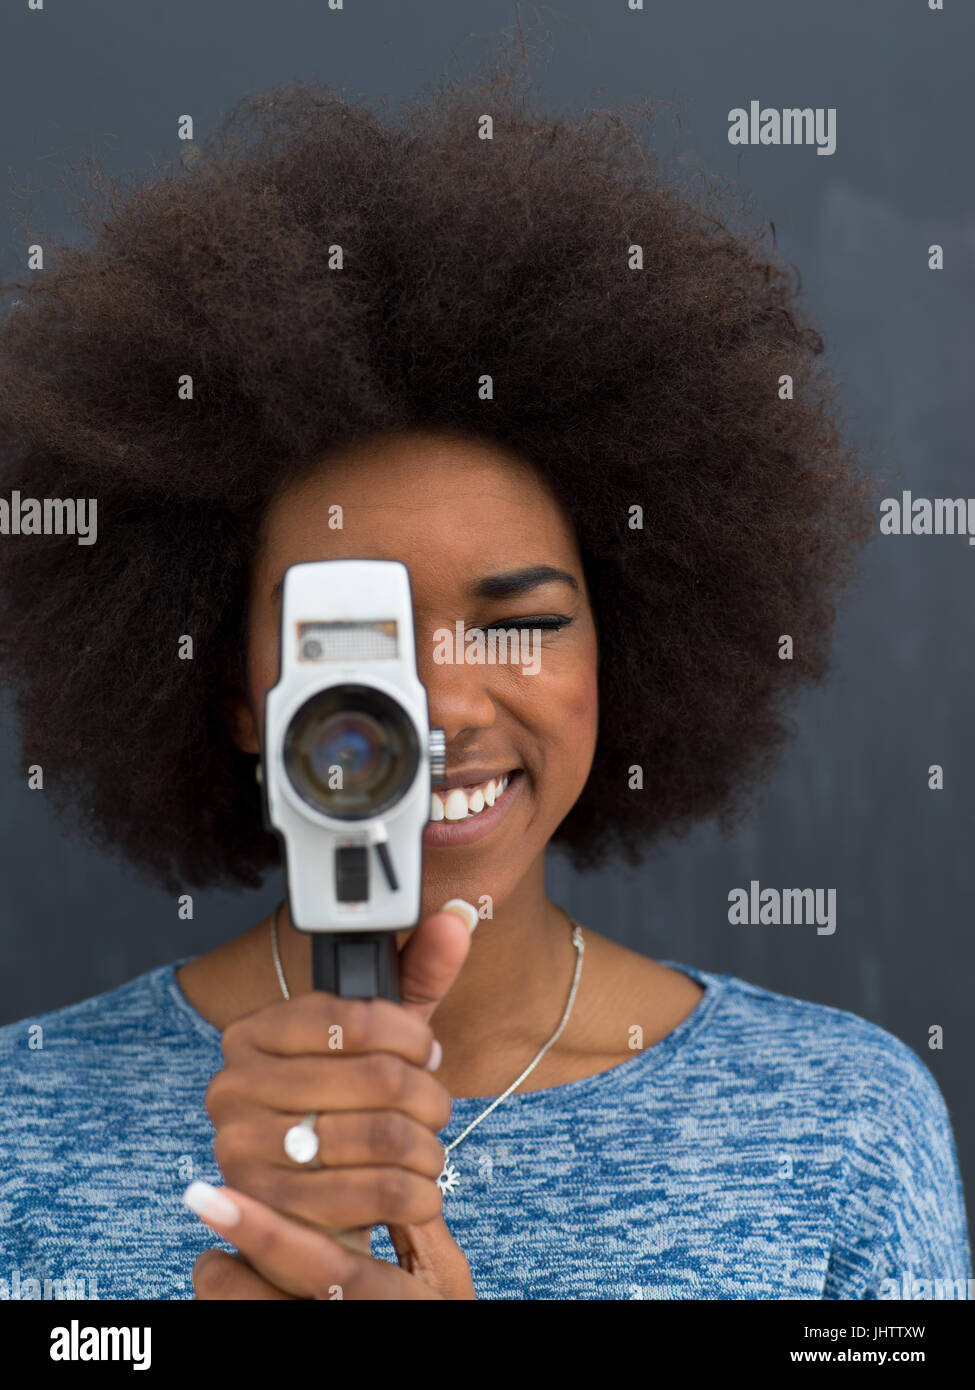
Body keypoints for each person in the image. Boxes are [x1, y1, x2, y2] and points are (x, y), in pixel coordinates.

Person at [0, 68, 968, 1301]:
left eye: (523, 624)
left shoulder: (844, 1128)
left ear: (621, 653)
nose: (444, 706)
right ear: (236, 690)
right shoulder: (21, 1130)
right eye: (353, 636)